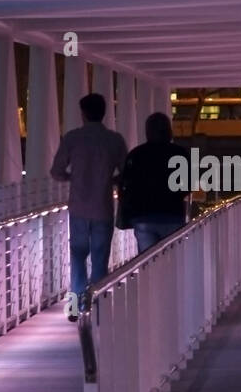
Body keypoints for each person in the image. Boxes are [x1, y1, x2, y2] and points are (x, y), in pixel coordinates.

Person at [50, 93, 128, 321]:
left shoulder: (73, 138)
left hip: (78, 207)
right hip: (103, 207)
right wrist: (111, 180)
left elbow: (56, 171)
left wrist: (70, 177)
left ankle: (75, 305)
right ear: (104, 112)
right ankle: (96, 305)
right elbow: (125, 173)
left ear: (83, 113)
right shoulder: (114, 140)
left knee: (77, 257)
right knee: (100, 258)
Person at [119, 111, 189, 254]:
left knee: (148, 260)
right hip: (172, 214)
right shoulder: (180, 153)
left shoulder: (136, 154)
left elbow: (126, 182)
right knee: (172, 258)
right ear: (169, 130)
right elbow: (189, 184)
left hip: (143, 215)